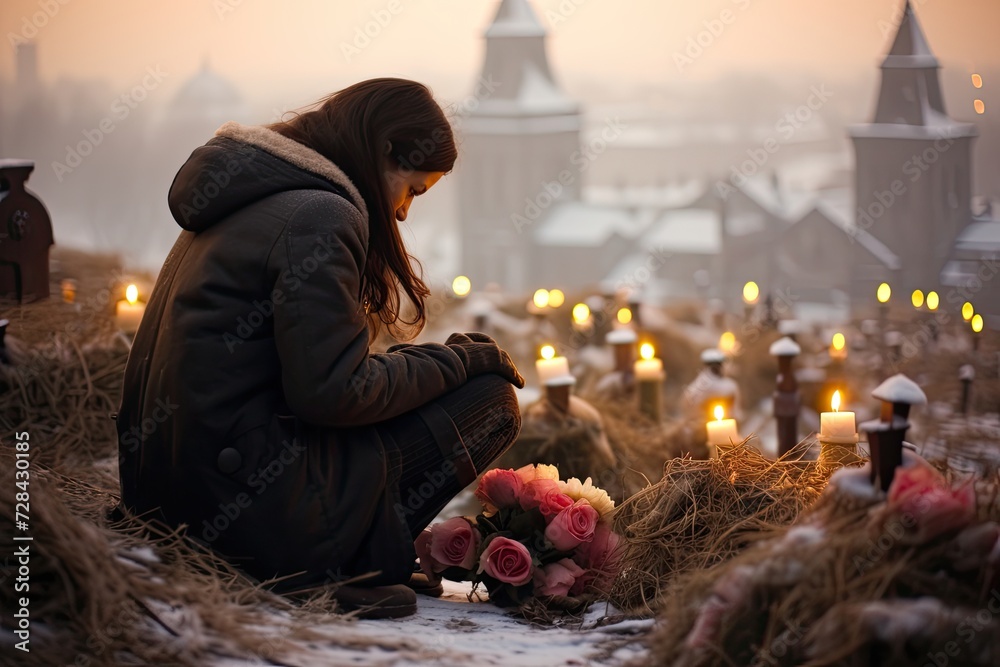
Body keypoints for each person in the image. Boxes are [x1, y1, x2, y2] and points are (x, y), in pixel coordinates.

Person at [116, 78, 525, 618]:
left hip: (174, 496)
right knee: (489, 400)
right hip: (241, 519)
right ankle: (334, 564)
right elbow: (335, 394)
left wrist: (433, 362)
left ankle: (354, 546)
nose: (403, 213)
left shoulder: (257, 196)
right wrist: (457, 361)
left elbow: (318, 377)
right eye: (413, 190)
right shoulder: (320, 216)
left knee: (446, 380)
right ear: (383, 150)